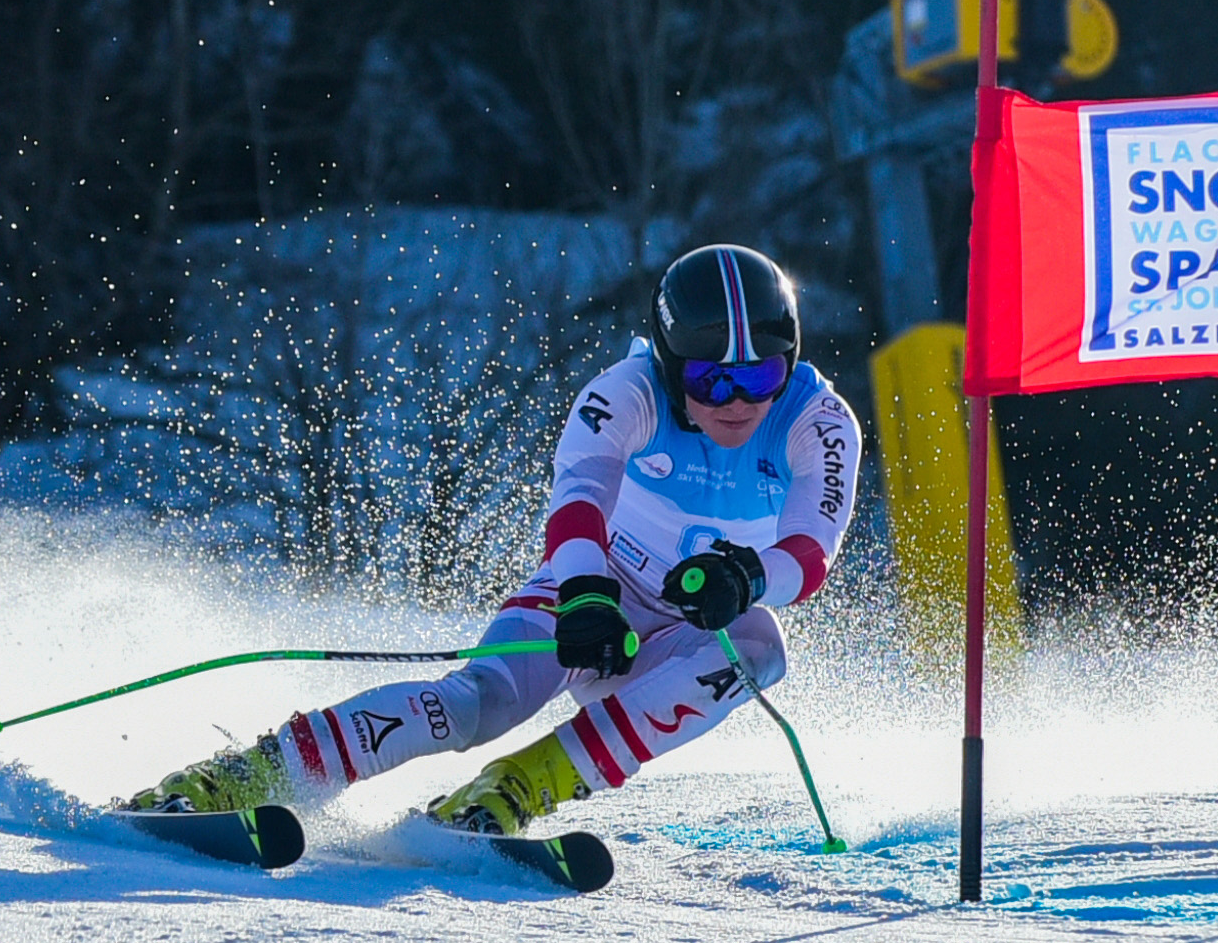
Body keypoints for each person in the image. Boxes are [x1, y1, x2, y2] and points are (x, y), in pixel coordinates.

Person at [120, 244, 862, 834]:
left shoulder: (817, 420)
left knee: (759, 648)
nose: (738, 401)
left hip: (686, 624)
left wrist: (746, 582)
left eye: (760, 373)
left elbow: (810, 548)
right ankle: (239, 777)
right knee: (478, 704)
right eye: (709, 378)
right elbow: (576, 505)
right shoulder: (624, 393)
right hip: (591, 588)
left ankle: (512, 791)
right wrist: (584, 595)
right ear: (670, 368)